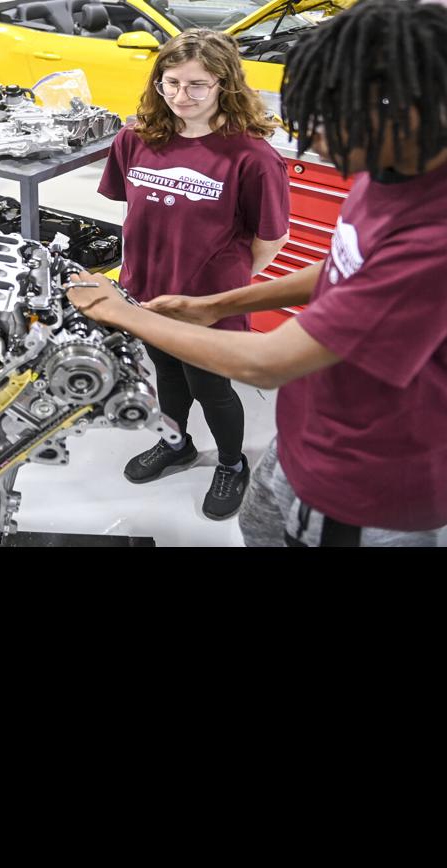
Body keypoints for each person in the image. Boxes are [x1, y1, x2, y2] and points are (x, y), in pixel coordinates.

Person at [66, 0, 447, 546]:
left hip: (371, 472)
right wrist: (219, 305)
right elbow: (347, 265)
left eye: (330, 123)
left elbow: (268, 364)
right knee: (261, 527)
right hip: (316, 424)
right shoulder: (405, 166)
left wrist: (122, 313)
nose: (318, 144)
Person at [97, 28, 290, 520]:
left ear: (224, 85)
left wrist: (225, 287)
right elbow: (135, 210)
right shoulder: (135, 138)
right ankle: (177, 442)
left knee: (211, 387)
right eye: (171, 83)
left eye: (197, 85)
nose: (181, 96)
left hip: (209, 301)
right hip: (146, 290)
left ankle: (230, 462)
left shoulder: (252, 156)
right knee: (166, 372)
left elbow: (270, 239)